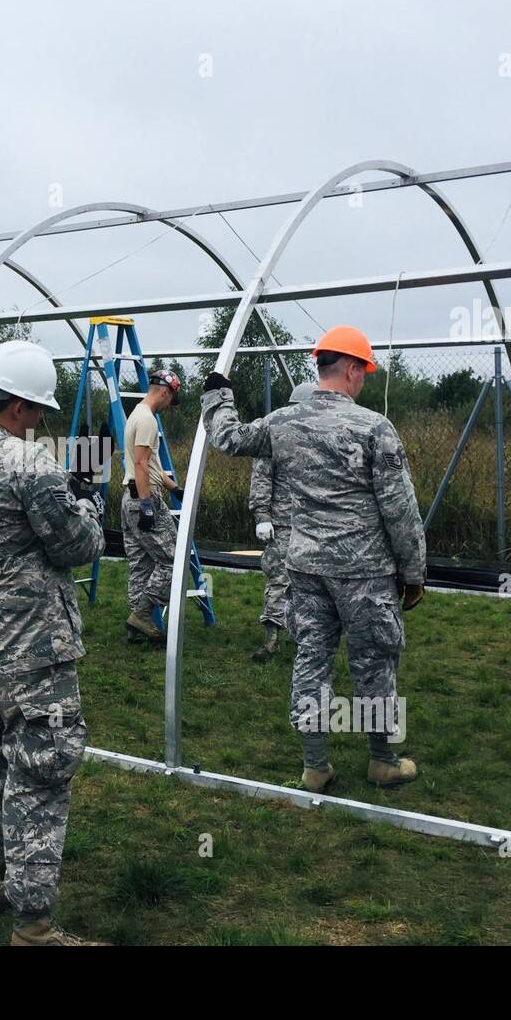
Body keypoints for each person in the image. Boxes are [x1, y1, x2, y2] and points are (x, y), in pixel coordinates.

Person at [202, 325, 426, 793]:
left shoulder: (283, 422)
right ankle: (382, 760)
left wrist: (218, 396)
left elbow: (227, 439)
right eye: (363, 371)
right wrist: (413, 573)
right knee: (374, 663)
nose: (364, 379)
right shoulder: (373, 427)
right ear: (350, 369)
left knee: (311, 659)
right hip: (363, 571)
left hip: (304, 566)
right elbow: (400, 509)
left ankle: (314, 765)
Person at [0, 340, 106, 946]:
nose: (41, 421)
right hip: (36, 649)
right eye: (38, 411)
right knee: (41, 774)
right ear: (17, 406)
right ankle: (33, 924)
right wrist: (88, 506)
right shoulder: (30, 464)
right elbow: (74, 547)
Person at [247, 381, 316, 662]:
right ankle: (272, 638)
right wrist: (262, 516)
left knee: (310, 583)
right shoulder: (274, 435)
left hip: (310, 522)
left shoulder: (315, 436)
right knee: (279, 578)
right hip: (283, 523)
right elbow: (261, 478)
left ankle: (307, 637)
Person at [121, 369, 183, 645]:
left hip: (129, 497)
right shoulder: (148, 421)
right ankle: (142, 614)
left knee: (140, 563)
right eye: (171, 399)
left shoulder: (136, 414)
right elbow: (141, 464)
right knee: (173, 560)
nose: (170, 406)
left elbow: (152, 465)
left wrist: (174, 487)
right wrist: (148, 504)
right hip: (143, 497)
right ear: (165, 391)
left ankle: (137, 628)